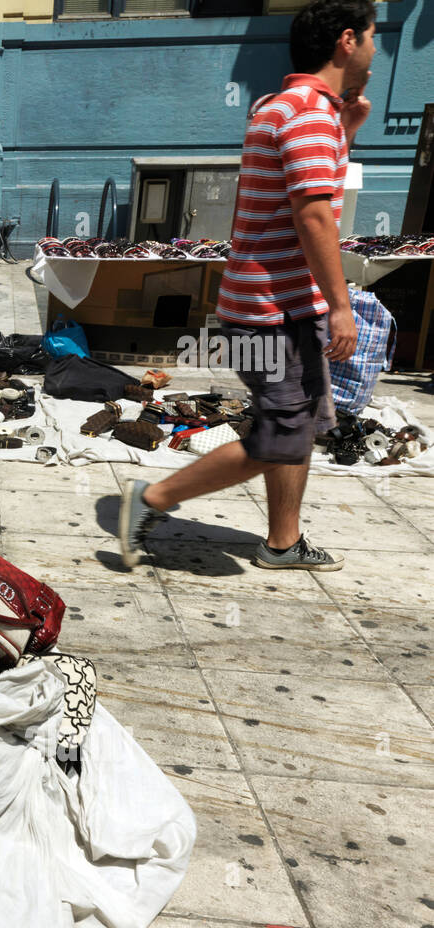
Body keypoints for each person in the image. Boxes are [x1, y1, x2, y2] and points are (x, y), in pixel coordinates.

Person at [119, 0, 375, 572]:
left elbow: (312, 192)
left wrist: (348, 132)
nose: (377, 53)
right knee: (282, 438)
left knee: (303, 425)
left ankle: (282, 542)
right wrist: (342, 305)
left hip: (286, 305)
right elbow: (313, 217)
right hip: (267, 311)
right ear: (347, 40)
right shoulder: (306, 113)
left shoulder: (293, 108)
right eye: (374, 39)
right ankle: (151, 499)